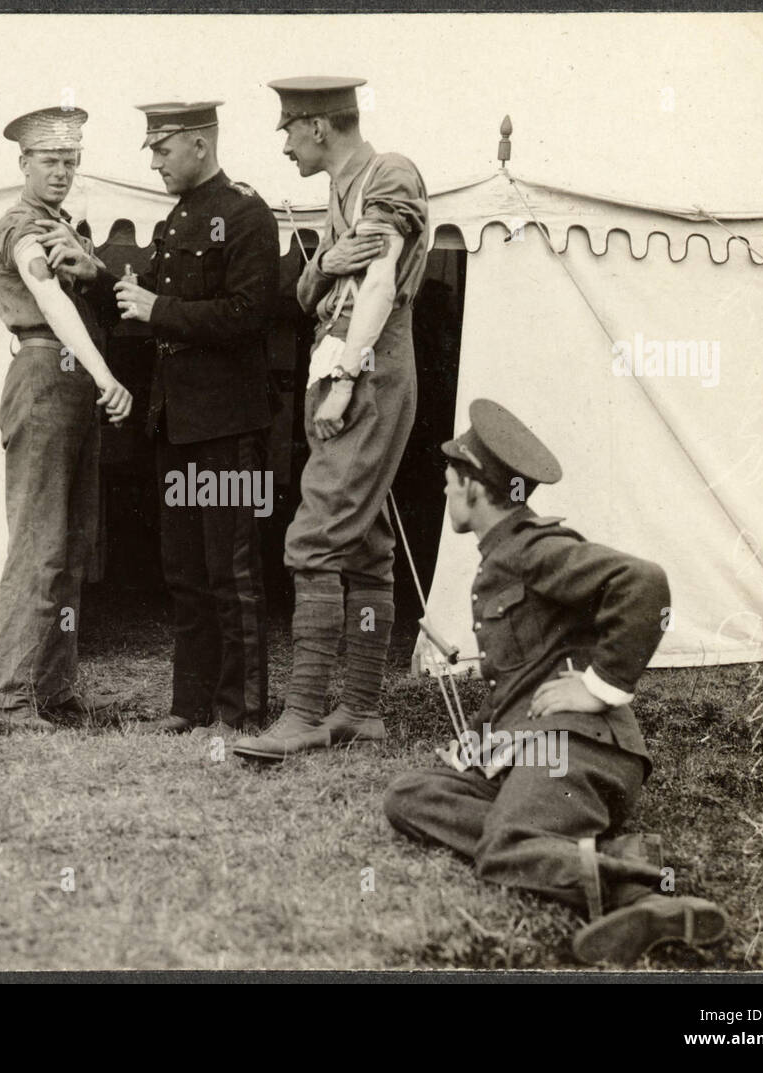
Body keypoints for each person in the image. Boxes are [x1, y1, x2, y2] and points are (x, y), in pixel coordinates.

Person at [383, 398, 728, 965]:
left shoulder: (534, 549)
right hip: (538, 746)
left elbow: (644, 583)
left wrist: (599, 687)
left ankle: (635, 890)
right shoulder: (501, 555)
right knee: (412, 796)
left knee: (503, 848)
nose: (444, 492)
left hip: (580, 750)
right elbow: (522, 675)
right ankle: (613, 849)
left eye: (450, 481)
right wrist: (483, 737)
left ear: (473, 486)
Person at [55, 100, 280, 732]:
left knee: (233, 571)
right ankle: (189, 707)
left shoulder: (247, 215)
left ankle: (242, 713)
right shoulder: (179, 217)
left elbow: (249, 315)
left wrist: (161, 312)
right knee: (184, 571)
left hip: (230, 427)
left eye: (162, 148)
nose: (152, 160)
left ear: (199, 146)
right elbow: (141, 299)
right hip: (178, 424)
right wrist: (97, 276)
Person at [233, 76, 429, 761]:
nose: (284, 144)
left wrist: (346, 377)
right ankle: (362, 708)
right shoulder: (342, 191)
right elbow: (306, 290)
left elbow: (378, 282)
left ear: (319, 126)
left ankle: (306, 712)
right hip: (344, 359)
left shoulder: (389, 173)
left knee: (314, 538)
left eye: (289, 128)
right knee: (365, 540)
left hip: (366, 364)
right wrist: (324, 265)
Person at [0, 105, 132, 732]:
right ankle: (10, 697)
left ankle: (54, 688)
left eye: (71, 162)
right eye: (50, 161)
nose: (62, 172)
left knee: (72, 548)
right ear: (24, 164)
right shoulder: (20, 224)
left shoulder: (66, 228)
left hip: (73, 389)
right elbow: (46, 297)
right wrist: (106, 377)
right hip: (48, 377)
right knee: (39, 545)